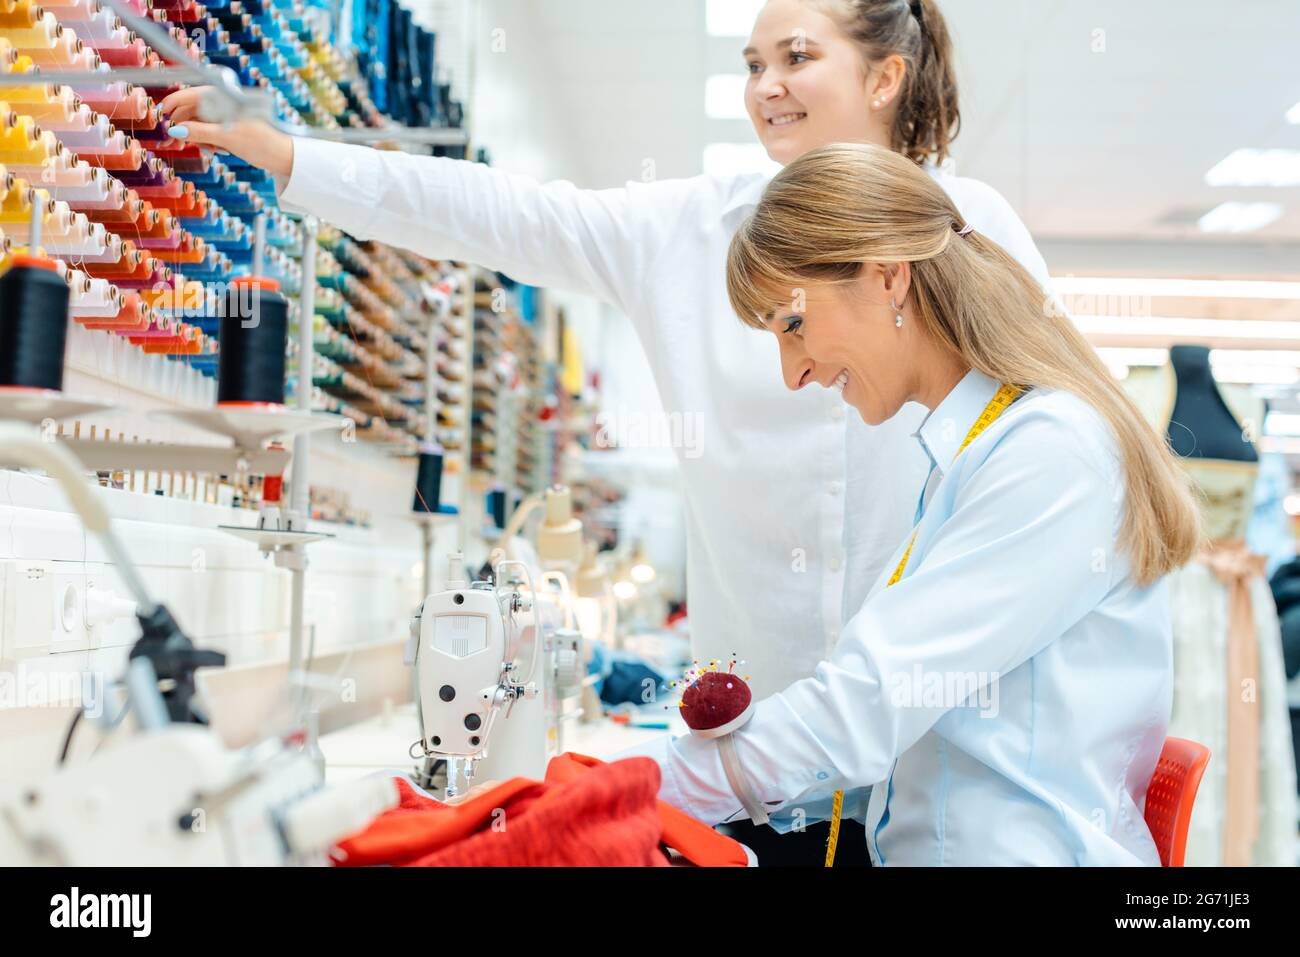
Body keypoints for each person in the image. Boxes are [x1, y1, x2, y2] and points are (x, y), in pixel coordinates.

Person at [159, 0, 1052, 859]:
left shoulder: (965, 230)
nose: (766, 85)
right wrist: (293, 161)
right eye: (752, 64)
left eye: (796, 57)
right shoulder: (688, 231)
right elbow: (497, 212)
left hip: (932, 787)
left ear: (887, 76)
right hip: (748, 780)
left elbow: (1052, 442)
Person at [626, 142, 1201, 865]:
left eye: (793, 324)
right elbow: (879, 712)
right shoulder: (971, 456)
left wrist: (631, 789)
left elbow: (867, 704)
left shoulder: (1049, 454)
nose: (792, 371)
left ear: (888, 277)